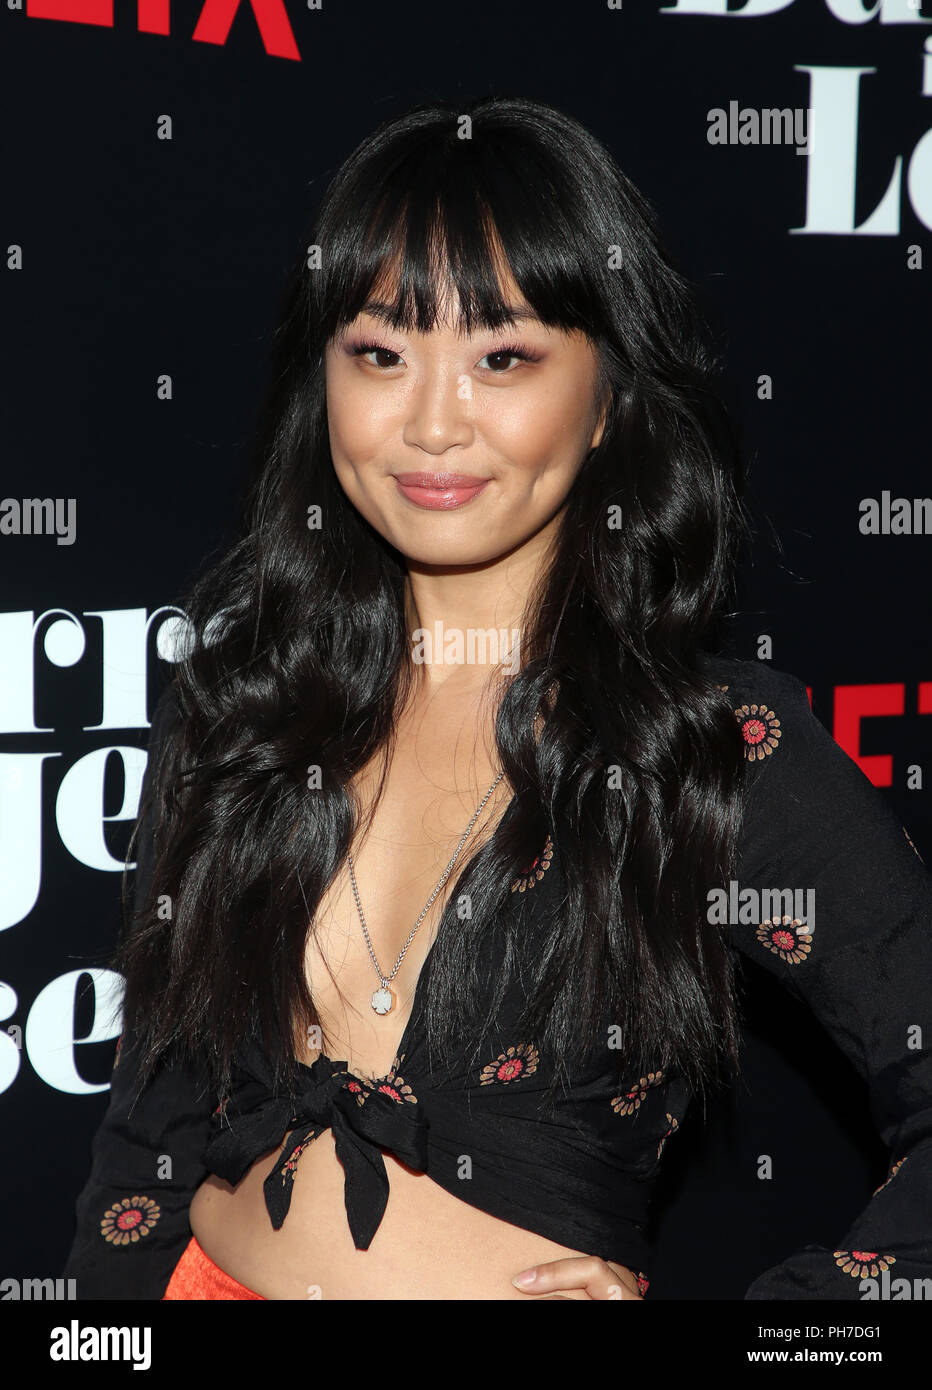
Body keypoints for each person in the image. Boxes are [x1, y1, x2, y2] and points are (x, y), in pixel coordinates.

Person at [64, 95, 932, 1301]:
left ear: (611, 396)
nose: (427, 423)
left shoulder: (709, 744)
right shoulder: (245, 708)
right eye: (379, 352)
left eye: (502, 356)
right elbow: (145, 1151)